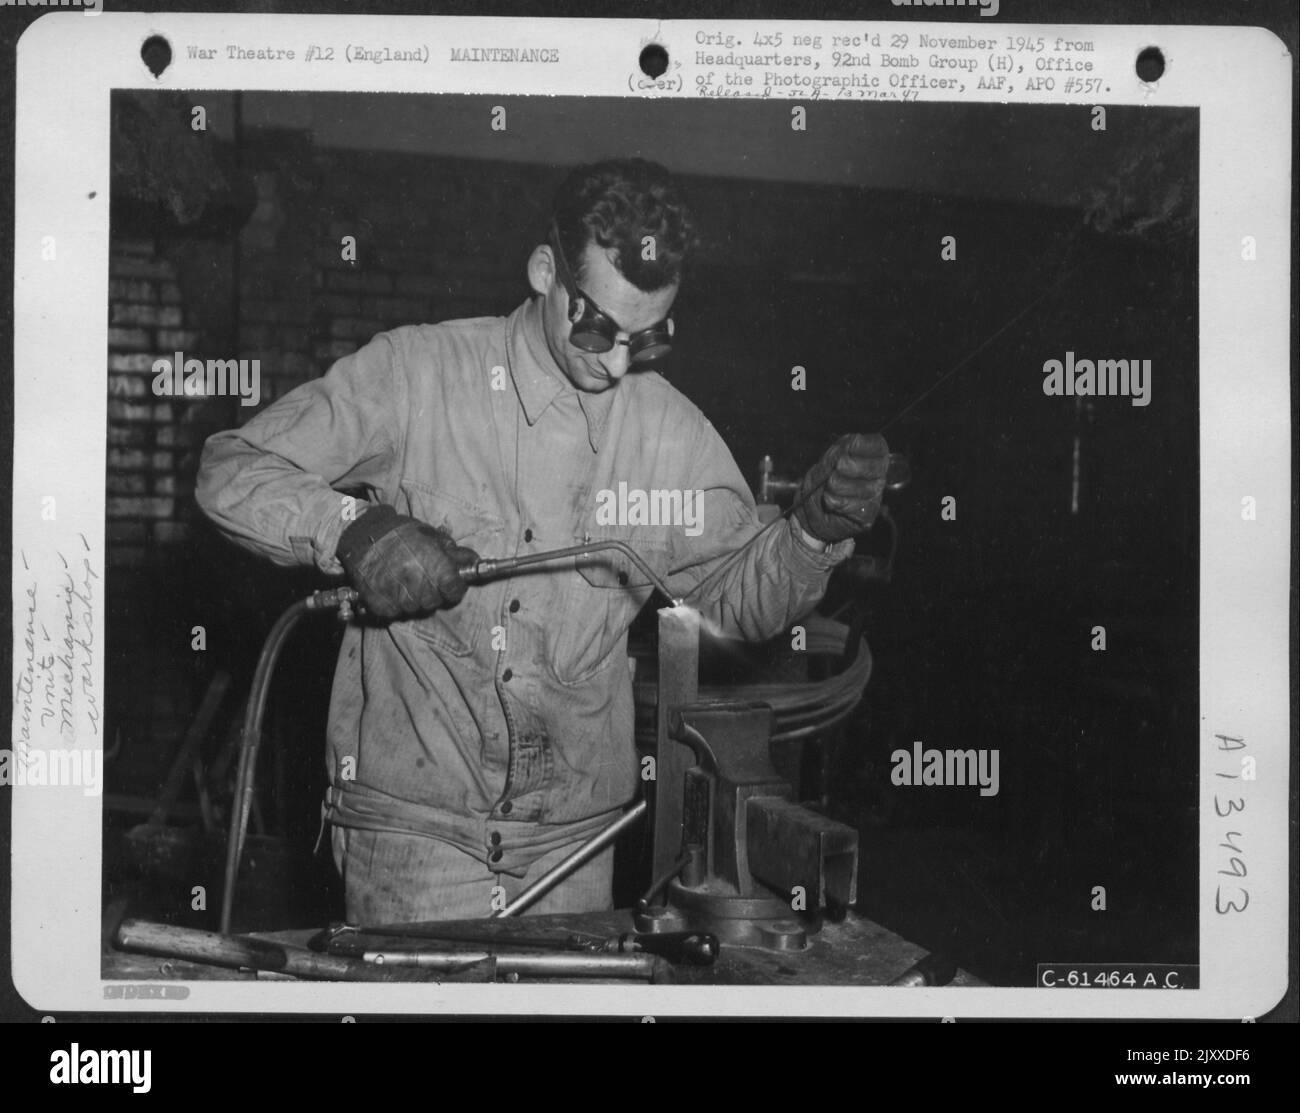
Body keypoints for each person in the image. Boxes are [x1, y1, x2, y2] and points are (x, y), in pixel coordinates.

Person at [196, 157, 889, 924]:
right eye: (596, 326)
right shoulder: (418, 374)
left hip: (578, 848)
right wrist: (351, 528)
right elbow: (229, 469)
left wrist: (811, 536)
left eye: (647, 337)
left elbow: (736, 594)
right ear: (543, 271)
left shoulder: (670, 434)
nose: (617, 361)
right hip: (418, 841)